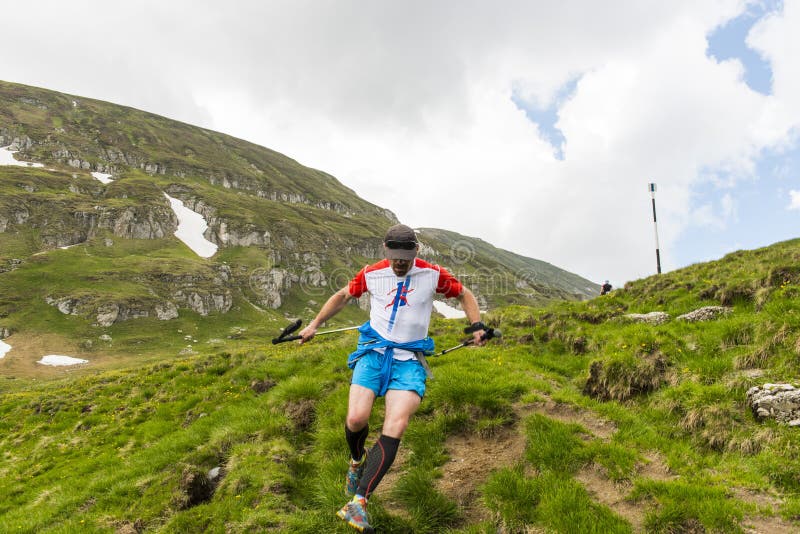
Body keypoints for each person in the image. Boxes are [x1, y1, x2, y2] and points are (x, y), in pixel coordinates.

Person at [298, 223, 485, 533]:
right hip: (373, 350)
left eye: (405, 258)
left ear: (415, 252)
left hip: (410, 359)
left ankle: (358, 504)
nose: (400, 263)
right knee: (357, 419)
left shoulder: (432, 274)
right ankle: (356, 461)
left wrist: (477, 325)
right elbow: (343, 295)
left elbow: (464, 293)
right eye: (395, 257)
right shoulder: (372, 273)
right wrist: (314, 324)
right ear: (386, 251)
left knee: (396, 424)